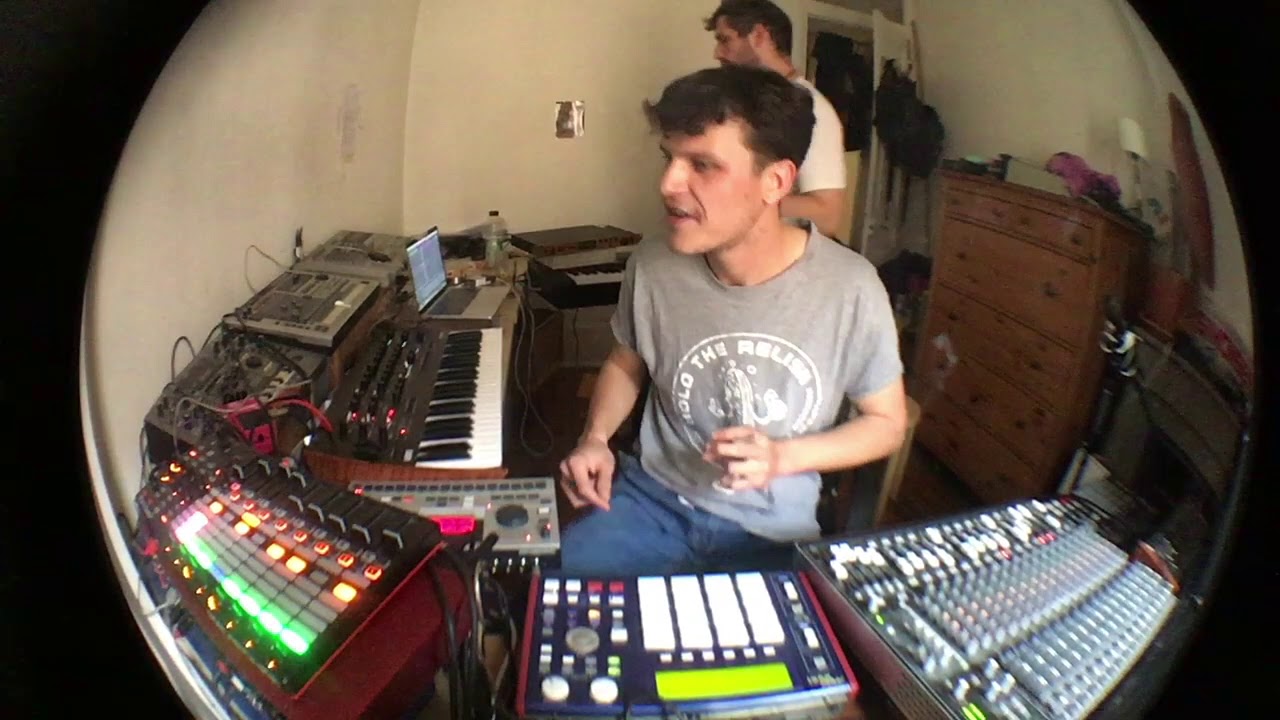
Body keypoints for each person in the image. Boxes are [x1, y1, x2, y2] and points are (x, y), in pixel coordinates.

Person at [556, 65, 907, 576]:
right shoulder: (652, 264)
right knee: (557, 605)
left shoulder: (851, 288)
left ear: (775, 182)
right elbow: (625, 361)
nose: (668, 183)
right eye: (670, 158)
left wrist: (781, 459)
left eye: (702, 164)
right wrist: (595, 438)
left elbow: (887, 423)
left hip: (771, 532)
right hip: (651, 503)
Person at [706, 0, 848, 239]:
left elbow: (827, 216)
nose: (717, 53)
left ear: (759, 35)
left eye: (725, 40)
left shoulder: (813, 108)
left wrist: (738, 201)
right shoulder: (744, 103)